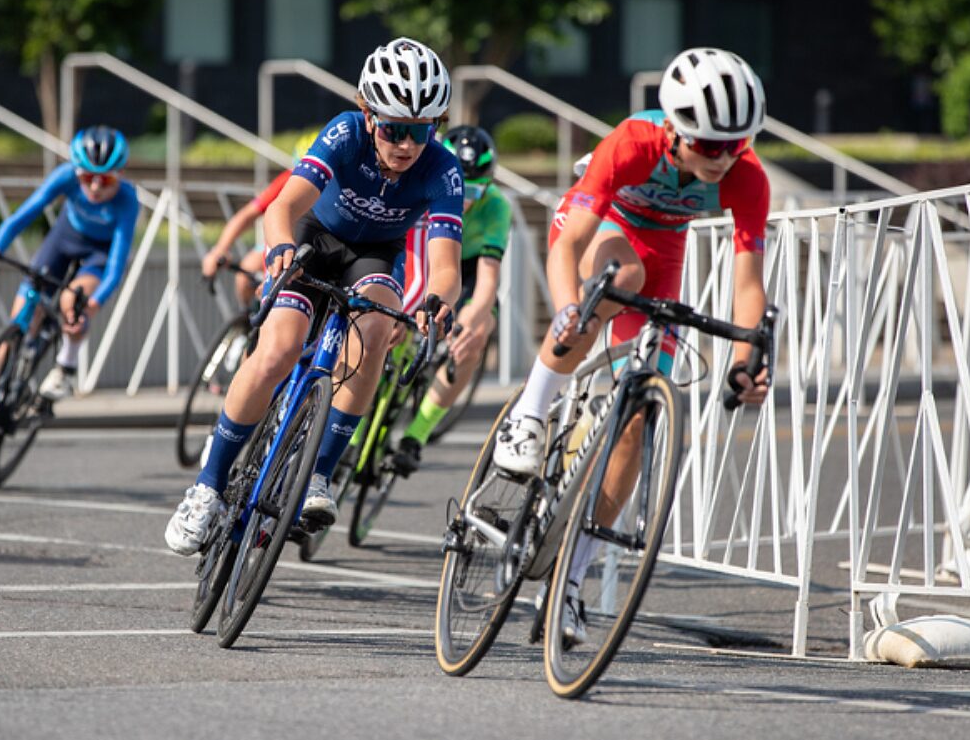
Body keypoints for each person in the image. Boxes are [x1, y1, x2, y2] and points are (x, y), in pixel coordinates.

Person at [493, 47, 773, 645]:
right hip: (607, 228)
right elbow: (566, 247)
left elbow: (748, 283)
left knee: (638, 420)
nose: (724, 158)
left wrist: (747, 361)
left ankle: (569, 581)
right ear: (674, 128)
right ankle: (530, 412)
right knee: (618, 285)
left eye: (737, 143)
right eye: (709, 144)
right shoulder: (633, 142)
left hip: (665, 248)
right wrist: (569, 308)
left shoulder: (747, 176)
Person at [165, 37, 464, 556]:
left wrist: (436, 301)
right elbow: (280, 208)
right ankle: (207, 487)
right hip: (312, 237)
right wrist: (280, 247)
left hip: (374, 255)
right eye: (395, 128)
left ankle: (320, 475)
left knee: (374, 332)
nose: (406, 145)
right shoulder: (344, 134)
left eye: (421, 131)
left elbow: (444, 265)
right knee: (279, 350)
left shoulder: (443, 170)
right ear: (368, 114)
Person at [0, 126, 139, 448]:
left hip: (97, 256)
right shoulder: (65, 177)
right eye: (88, 178)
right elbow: (24, 215)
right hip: (62, 242)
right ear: (77, 172)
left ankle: (66, 369)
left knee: (71, 303)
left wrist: (94, 303)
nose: (97, 187)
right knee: (15, 330)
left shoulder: (128, 201)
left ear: (120, 175)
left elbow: (115, 265)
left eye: (108, 179)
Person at [387, 125, 511, 475]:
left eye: (475, 189)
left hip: (468, 267)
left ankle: (417, 434)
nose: (466, 198)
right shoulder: (425, 181)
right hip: (426, 252)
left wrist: (470, 323)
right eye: (462, 186)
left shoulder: (497, 208)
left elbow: (487, 279)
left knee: (477, 333)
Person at [200, 129, 322, 307]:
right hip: (285, 244)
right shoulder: (287, 179)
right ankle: (248, 323)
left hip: (313, 247)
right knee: (246, 272)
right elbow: (247, 214)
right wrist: (220, 249)